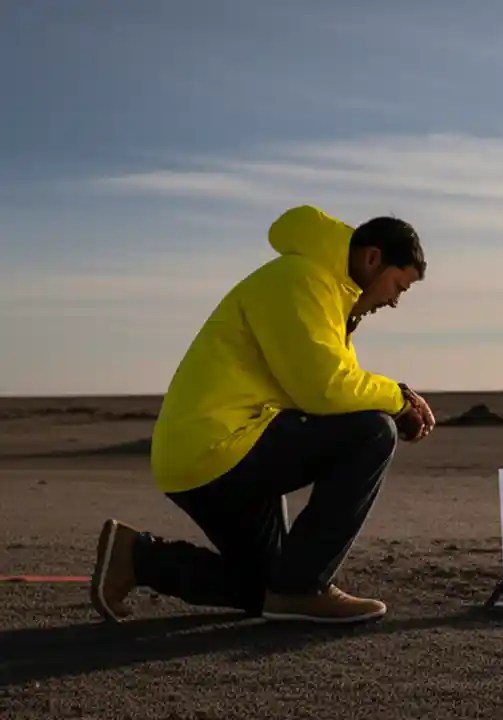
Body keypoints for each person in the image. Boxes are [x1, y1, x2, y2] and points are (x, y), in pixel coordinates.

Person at [90, 205, 435, 624]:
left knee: (268, 587)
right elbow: (323, 389)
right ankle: (306, 590)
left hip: (212, 452)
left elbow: (328, 384)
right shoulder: (304, 280)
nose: (395, 301)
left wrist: (389, 395)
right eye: (399, 286)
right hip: (219, 445)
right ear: (372, 259)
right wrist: (397, 400)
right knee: (373, 432)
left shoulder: (329, 295)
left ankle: (137, 558)